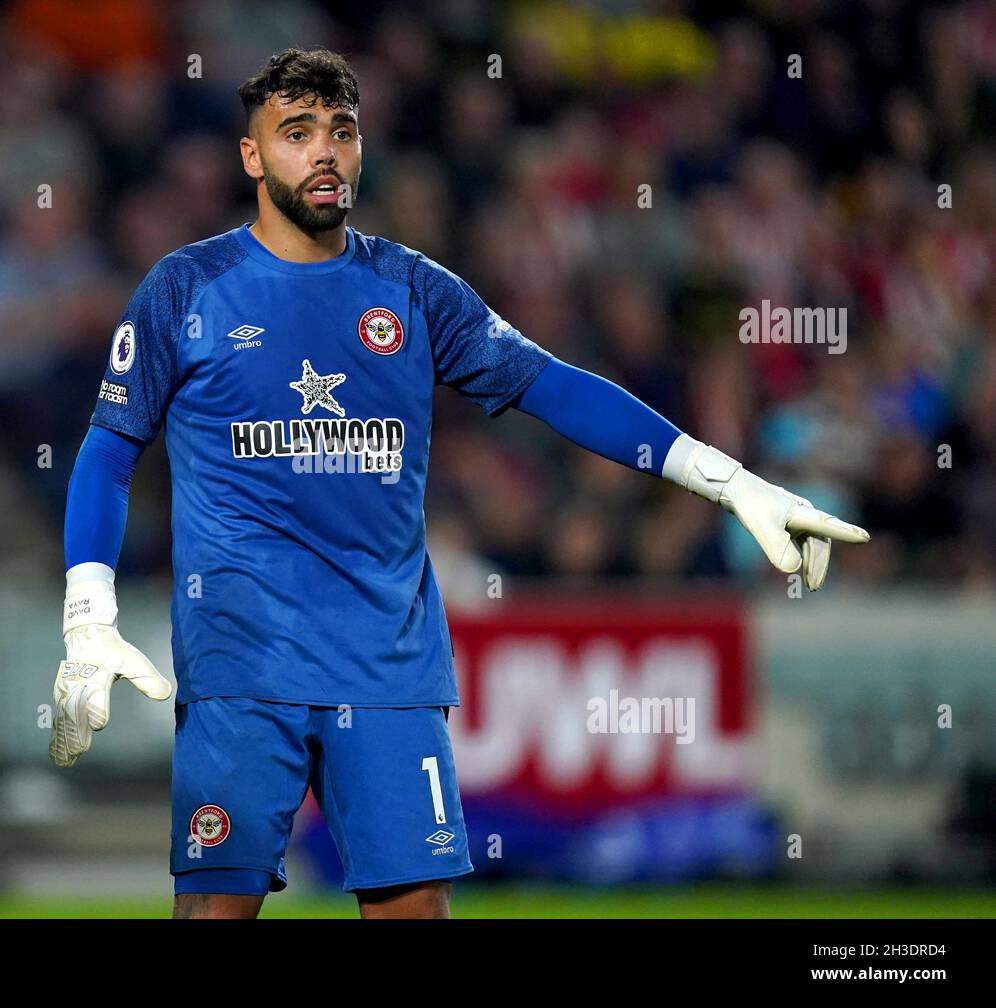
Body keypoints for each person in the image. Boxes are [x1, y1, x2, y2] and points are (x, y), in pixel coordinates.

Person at [51, 48, 869, 919]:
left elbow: (554, 385)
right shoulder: (186, 288)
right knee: (214, 913)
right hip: (241, 666)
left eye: (341, 131)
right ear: (252, 158)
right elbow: (108, 451)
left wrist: (726, 477)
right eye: (296, 134)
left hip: (390, 669)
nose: (324, 151)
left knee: (416, 912)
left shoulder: (412, 289)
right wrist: (87, 615)